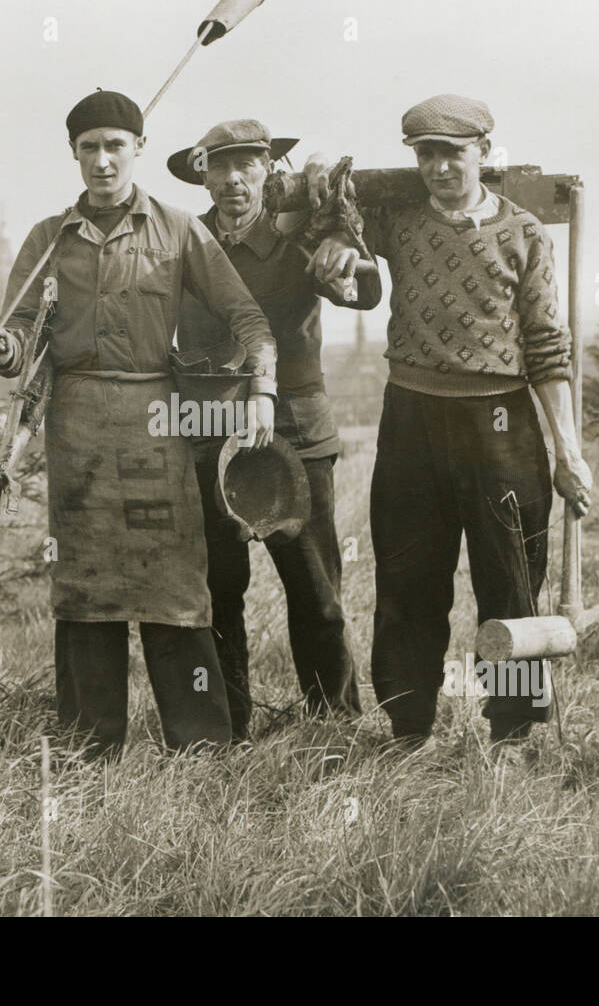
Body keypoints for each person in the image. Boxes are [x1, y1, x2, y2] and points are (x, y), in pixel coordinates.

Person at [0, 91, 278, 757]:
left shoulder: (178, 229)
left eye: (116, 145)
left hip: (157, 429)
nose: (103, 160)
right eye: (90, 147)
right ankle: (88, 750)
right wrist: (5, 350)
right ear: (74, 154)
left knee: (173, 589)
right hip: (76, 434)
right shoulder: (48, 238)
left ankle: (201, 750)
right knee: (84, 592)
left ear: (138, 149)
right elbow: (21, 338)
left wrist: (263, 392)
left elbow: (249, 319)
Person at [306, 94, 592, 751]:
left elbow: (549, 348)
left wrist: (567, 451)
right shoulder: (397, 221)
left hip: (501, 426)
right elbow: (349, 263)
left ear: (484, 153)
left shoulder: (524, 234)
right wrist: (329, 246)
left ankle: (512, 733)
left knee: (511, 581)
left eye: (452, 153)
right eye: (426, 153)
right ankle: (410, 730)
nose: (438, 167)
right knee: (407, 579)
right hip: (411, 419)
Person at [166, 119, 381, 741]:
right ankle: (222, 726)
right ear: (201, 174)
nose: (234, 179)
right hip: (210, 432)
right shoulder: (185, 245)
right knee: (218, 589)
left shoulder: (299, 240)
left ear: (268, 171)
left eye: (248, 165)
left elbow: (362, 295)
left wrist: (352, 259)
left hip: (293, 434)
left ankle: (332, 727)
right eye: (219, 166)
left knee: (315, 590)